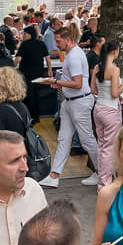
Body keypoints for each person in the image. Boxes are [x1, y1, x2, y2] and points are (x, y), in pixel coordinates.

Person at [44, 31, 97, 189]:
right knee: (64, 139)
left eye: (59, 41)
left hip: (78, 102)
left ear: (67, 40)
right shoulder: (74, 54)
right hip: (71, 102)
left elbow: (78, 83)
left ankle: (103, 172)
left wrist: (55, 81)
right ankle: (54, 175)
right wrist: (59, 83)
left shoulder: (73, 56)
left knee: (87, 141)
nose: (57, 44)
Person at [84, 40, 123, 184]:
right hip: (111, 111)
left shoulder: (97, 67)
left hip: (98, 108)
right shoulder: (114, 69)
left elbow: (93, 90)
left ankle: (101, 177)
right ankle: (104, 182)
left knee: (101, 145)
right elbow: (114, 93)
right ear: (114, 52)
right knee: (108, 148)